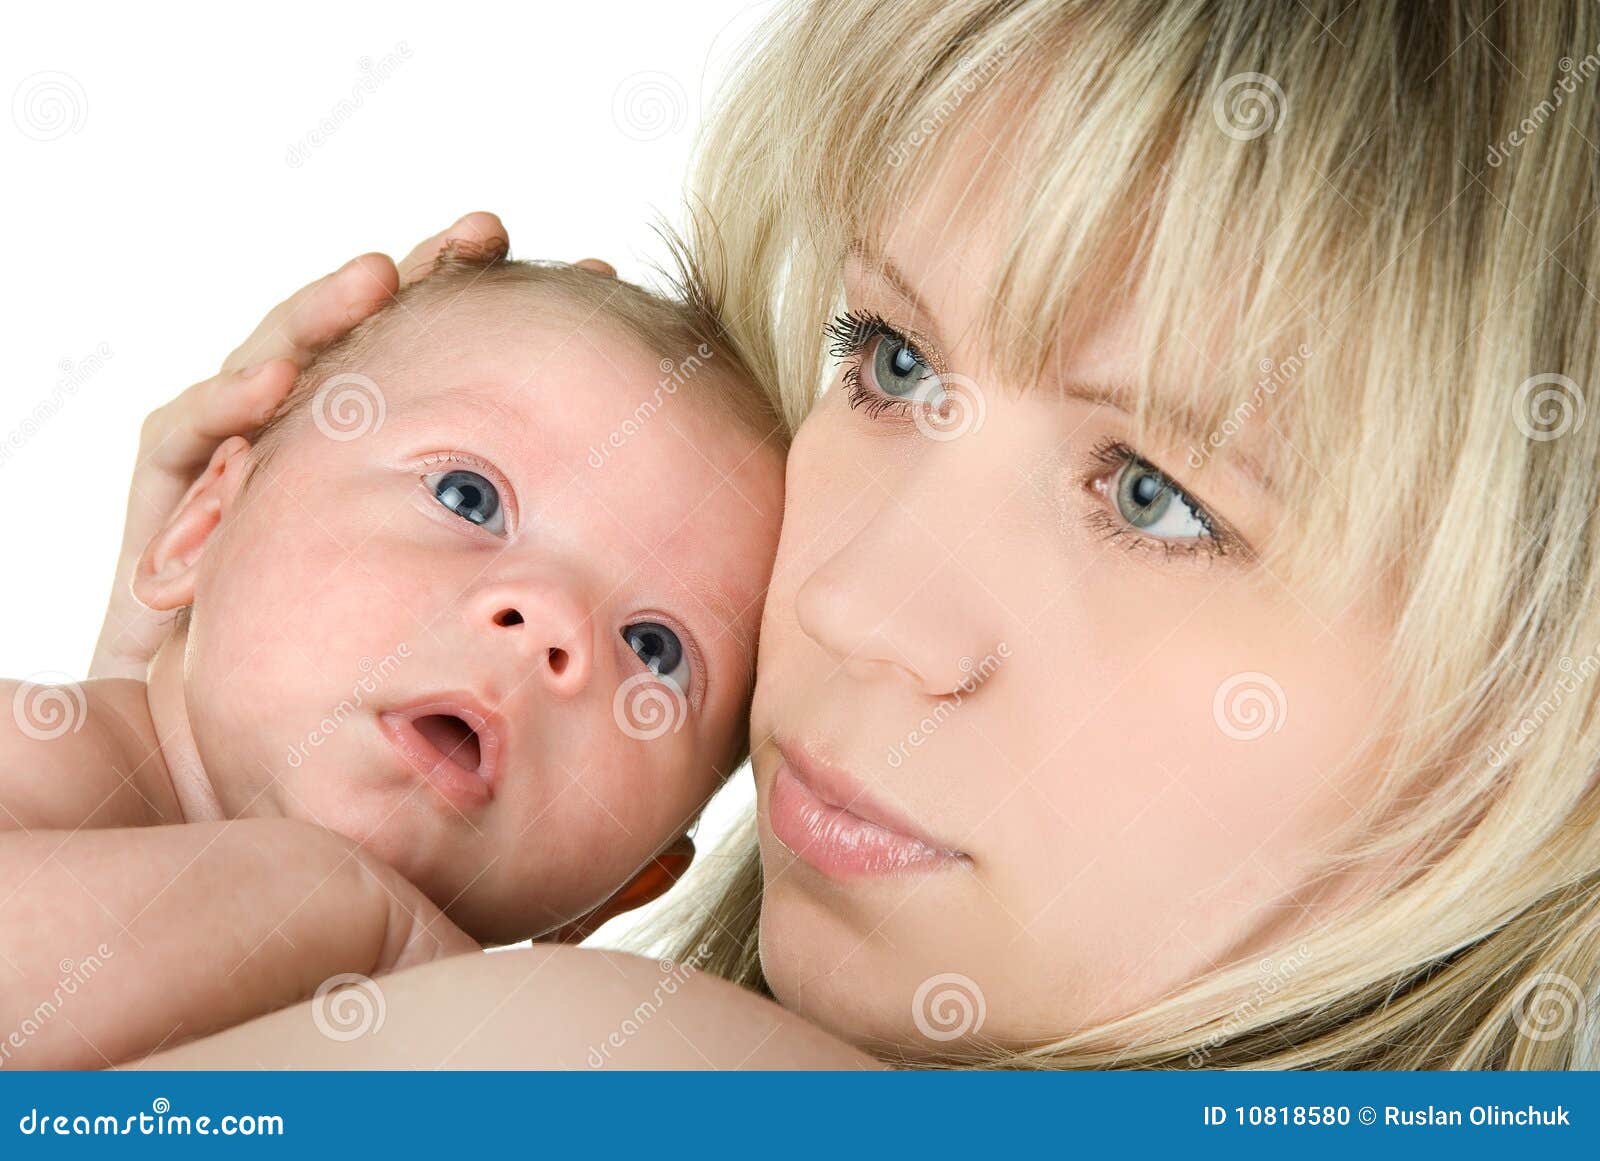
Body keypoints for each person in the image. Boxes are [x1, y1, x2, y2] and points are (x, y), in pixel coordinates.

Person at [113, 0, 1600, 1068]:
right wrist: (171, 752)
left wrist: (182, 850)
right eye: (891, 359)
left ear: (1550, 708)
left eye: (1154, 494)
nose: (844, 605)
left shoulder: (584, 1064)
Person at [1, 248, 786, 1068]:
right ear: (200, 530)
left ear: (624, 888)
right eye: (466, 497)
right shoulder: (52, 762)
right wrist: (328, 896)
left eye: (654, 650)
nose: (552, 621)